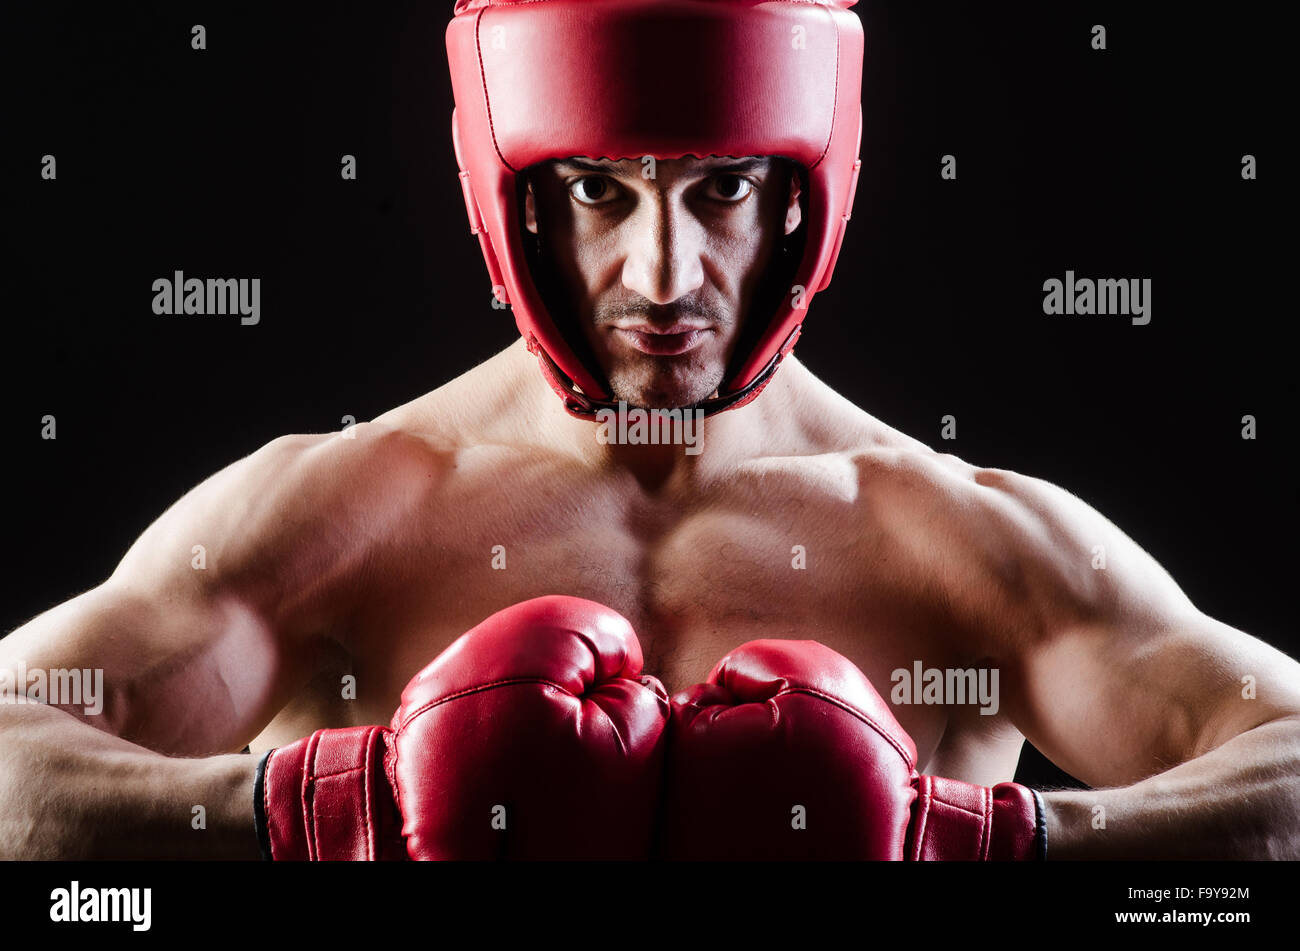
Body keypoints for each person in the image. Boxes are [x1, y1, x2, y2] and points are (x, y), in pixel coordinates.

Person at [2, 0, 1298, 860]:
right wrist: (316, 817)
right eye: (599, 191)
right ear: (512, 200)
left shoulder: (956, 535)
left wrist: (993, 845)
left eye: (723, 188)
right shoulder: (340, 513)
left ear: (805, 197)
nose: (666, 274)